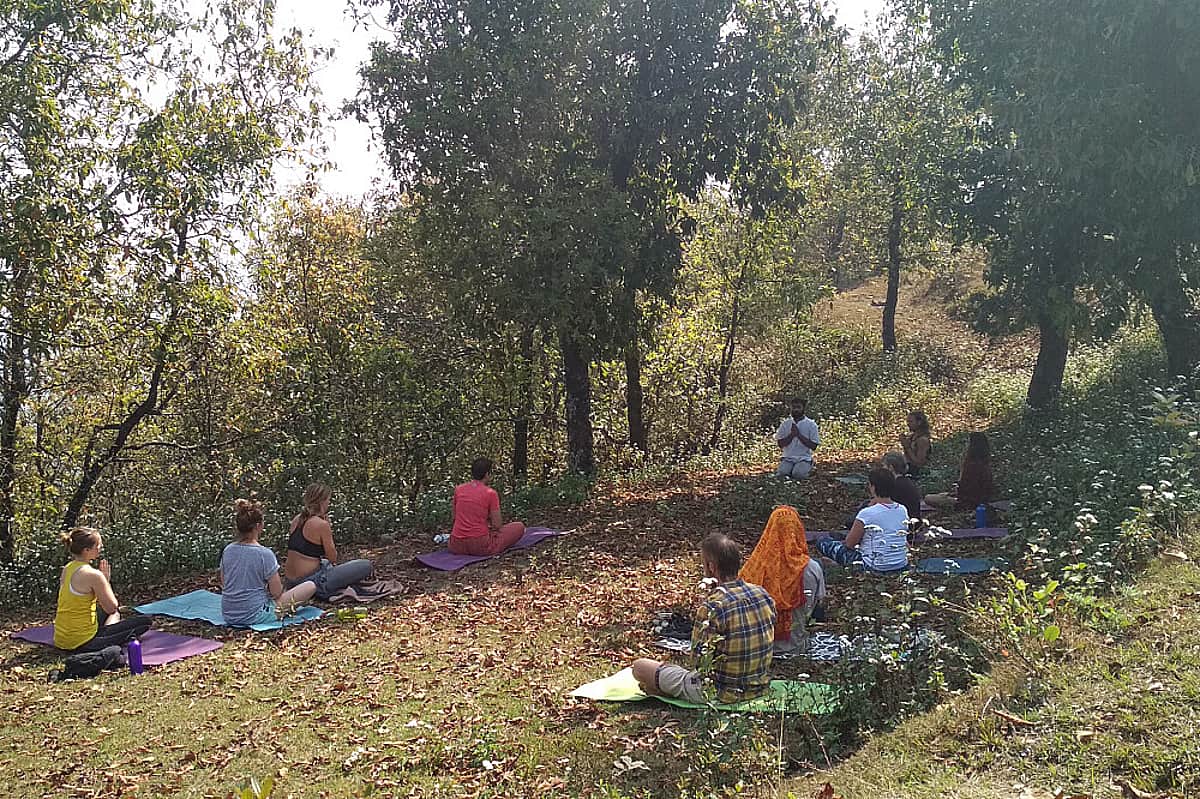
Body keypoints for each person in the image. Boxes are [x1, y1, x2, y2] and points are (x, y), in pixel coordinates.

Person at [631, 534, 775, 705]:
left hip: (717, 692)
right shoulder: (762, 594)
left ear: (711, 567)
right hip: (759, 686)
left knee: (640, 667)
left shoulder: (713, 606)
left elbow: (698, 663)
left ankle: (661, 688)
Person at [739, 506, 826, 655]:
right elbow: (819, 604)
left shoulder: (755, 566)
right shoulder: (812, 568)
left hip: (756, 648)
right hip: (794, 647)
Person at [53, 527, 152, 652]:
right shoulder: (93, 574)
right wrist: (105, 581)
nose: (100, 547)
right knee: (143, 621)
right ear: (87, 550)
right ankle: (103, 636)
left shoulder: (67, 568)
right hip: (84, 643)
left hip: (61, 640)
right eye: (98, 545)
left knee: (105, 613)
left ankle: (103, 633)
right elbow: (112, 607)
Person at [221, 499, 317, 627]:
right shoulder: (264, 554)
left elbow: (224, 582)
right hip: (255, 614)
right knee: (310, 586)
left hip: (228, 614)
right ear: (258, 526)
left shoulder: (228, 550)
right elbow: (276, 592)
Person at [283, 483, 374, 600]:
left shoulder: (296, 519)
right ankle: (324, 589)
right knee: (366, 565)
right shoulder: (321, 525)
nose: (329, 503)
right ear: (322, 502)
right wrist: (328, 527)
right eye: (328, 500)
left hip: (290, 582)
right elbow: (333, 557)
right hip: (312, 583)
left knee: (325, 563)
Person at [816, 468, 909, 572]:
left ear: (873, 487)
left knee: (823, 542)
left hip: (872, 566)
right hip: (901, 565)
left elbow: (849, 543)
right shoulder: (902, 509)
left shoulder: (867, 513)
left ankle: (841, 566)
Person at [448, 457, 526, 557]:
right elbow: (497, 525)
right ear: (487, 474)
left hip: (456, 545)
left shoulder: (458, 489)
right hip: (480, 546)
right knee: (519, 526)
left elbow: (454, 517)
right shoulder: (491, 493)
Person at [925, 432, 995, 510]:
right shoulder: (984, 463)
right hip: (972, 499)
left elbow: (967, 490)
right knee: (941, 495)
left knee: (928, 498)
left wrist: (957, 491)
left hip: (965, 502)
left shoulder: (971, 465)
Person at [775, 398, 820, 479]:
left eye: (798, 407)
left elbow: (814, 446)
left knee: (798, 474)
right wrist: (792, 435)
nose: (796, 409)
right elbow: (780, 444)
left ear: (803, 408)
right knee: (782, 474)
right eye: (794, 407)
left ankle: (811, 467)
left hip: (804, 458)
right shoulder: (785, 424)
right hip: (788, 458)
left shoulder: (811, 424)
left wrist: (799, 435)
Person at [882, 451, 923, 522]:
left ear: (890, 467)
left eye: (884, 466)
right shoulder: (907, 481)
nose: (882, 468)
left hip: (904, 524)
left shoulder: (895, 485)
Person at [899, 411, 933, 476]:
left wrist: (907, 446)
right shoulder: (912, 436)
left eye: (911, 422)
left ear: (919, 422)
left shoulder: (922, 440)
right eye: (907, 422)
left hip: (917, 473)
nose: (908, 424)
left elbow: (920, 462)